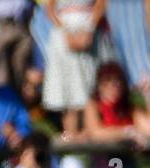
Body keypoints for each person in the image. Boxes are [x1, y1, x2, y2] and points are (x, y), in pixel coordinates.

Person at [43, 0, 115, 137]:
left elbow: (101, 4)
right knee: (69, 91)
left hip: (90, 31)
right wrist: (65, 32)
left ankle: (91, 133)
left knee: (90, 87)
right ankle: (70, 137)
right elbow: (50, 9)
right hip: (63, 35)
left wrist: (89, 29)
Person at [82, 60, 150, 144]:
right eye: (106, 83)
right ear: (99, 86)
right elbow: (95, 134)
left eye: (117, 82)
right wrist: (128, 132)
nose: (112, 87)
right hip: (105, 152)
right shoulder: (93, 105)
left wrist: (149, 95)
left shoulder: (128, 107)